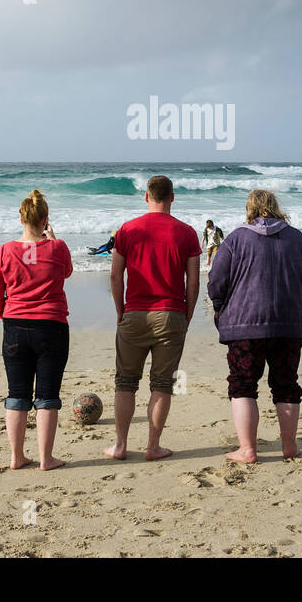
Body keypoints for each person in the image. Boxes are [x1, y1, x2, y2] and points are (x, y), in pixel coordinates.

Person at [207, 189, 302, 463]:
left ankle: (247, 450)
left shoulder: (236, 238)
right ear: (275, 207)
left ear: (250, 208)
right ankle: (289, 446)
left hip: (244, 325)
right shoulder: (298, 238)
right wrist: (301, 302)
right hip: (288, 324)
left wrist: (218, 307)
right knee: (286, 384)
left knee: (243, 384)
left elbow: (216, 280)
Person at [105, 175, 201, 461]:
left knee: (125, 383)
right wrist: (187, 315)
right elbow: (193, 283)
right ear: (172, 197)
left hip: (134, 312)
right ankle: (153, 446)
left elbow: (114, 274)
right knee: (162, 385)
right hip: (171, 314)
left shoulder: (127, 230)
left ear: (146, 197)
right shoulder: (186, 233)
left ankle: (120, 445)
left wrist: (121, 310)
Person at [0, 188, 74, 471]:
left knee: (17, 394)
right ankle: (46, 458)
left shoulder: (4, 250)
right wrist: (52, 240)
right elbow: (66, 272)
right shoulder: (58, 248)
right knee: (48, 395)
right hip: (51, 326)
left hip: (15, 326)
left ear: (21, 218)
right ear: (45, 220)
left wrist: (9, 315)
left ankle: (16, 457)